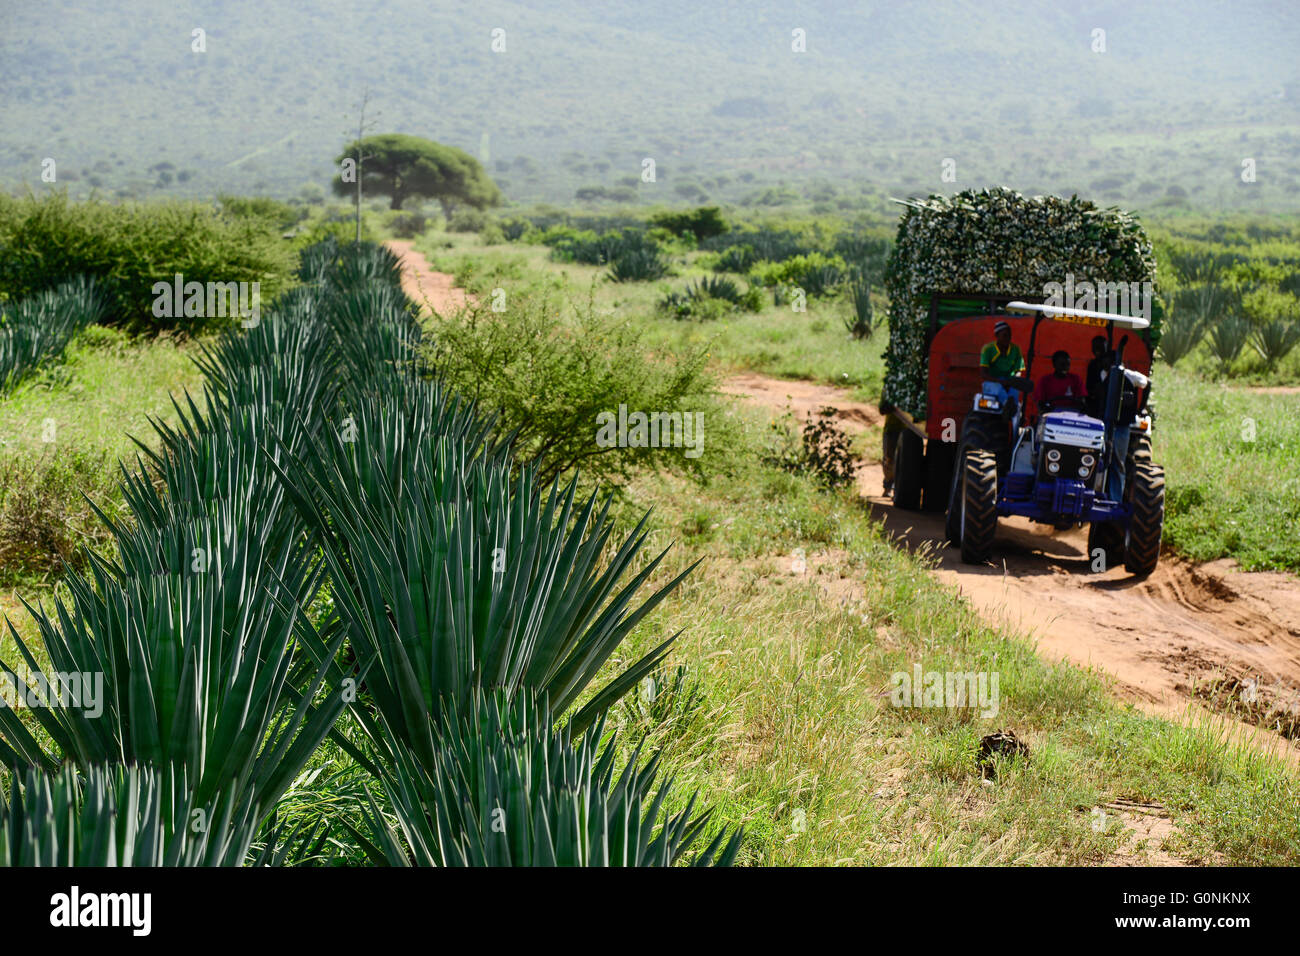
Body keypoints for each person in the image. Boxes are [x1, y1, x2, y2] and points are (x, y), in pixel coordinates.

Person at [979, 320, 1025, 417]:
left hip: (1009, 381)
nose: (1007, 338)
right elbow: (983, 374)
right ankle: (1006, 406)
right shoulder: (988, 349)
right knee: (998, 389)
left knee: (1015, 390)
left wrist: (1013, 380)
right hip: (992, 382)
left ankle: (1013, 413)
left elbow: (1018, 371)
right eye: (1004, 335)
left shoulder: (1015, 349)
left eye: (1009, 335)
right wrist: (1000, 381)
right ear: (997, 336)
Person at [1085, 335, 1109, 418]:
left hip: (1108, 403)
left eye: (1100, 347)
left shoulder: (1112, 363)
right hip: (1095, 403)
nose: (1097, 349)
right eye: (1095, 347)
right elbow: (1089, 385)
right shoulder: (1092, 364)